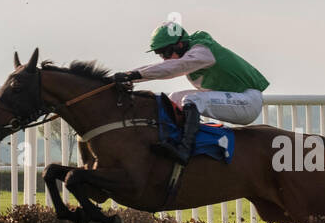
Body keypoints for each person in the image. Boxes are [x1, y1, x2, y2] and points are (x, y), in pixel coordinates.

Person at [109, 22, 270, 163]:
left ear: (180, 45)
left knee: (192, 100)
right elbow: (165, 66)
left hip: (248, 102)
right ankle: (171, 139)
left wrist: (134, 76)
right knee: (173, 99)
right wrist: (128, 75)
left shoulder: (202, 51)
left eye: (165, 52)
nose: (164, 58)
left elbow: (175, 67)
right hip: (235, 98)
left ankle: (184, 149)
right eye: (160, 54)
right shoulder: (188, 52)